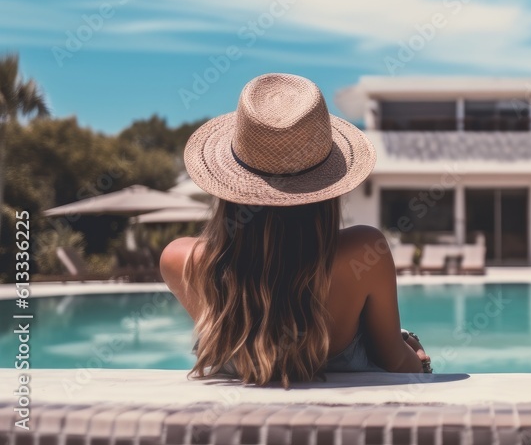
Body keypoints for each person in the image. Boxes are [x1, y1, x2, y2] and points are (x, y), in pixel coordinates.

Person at [161, 73, 430, 387]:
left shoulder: (181, 261)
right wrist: (419, 358)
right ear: (327, 189)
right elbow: (396, 362)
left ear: (229, 190)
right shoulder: (365, 252)